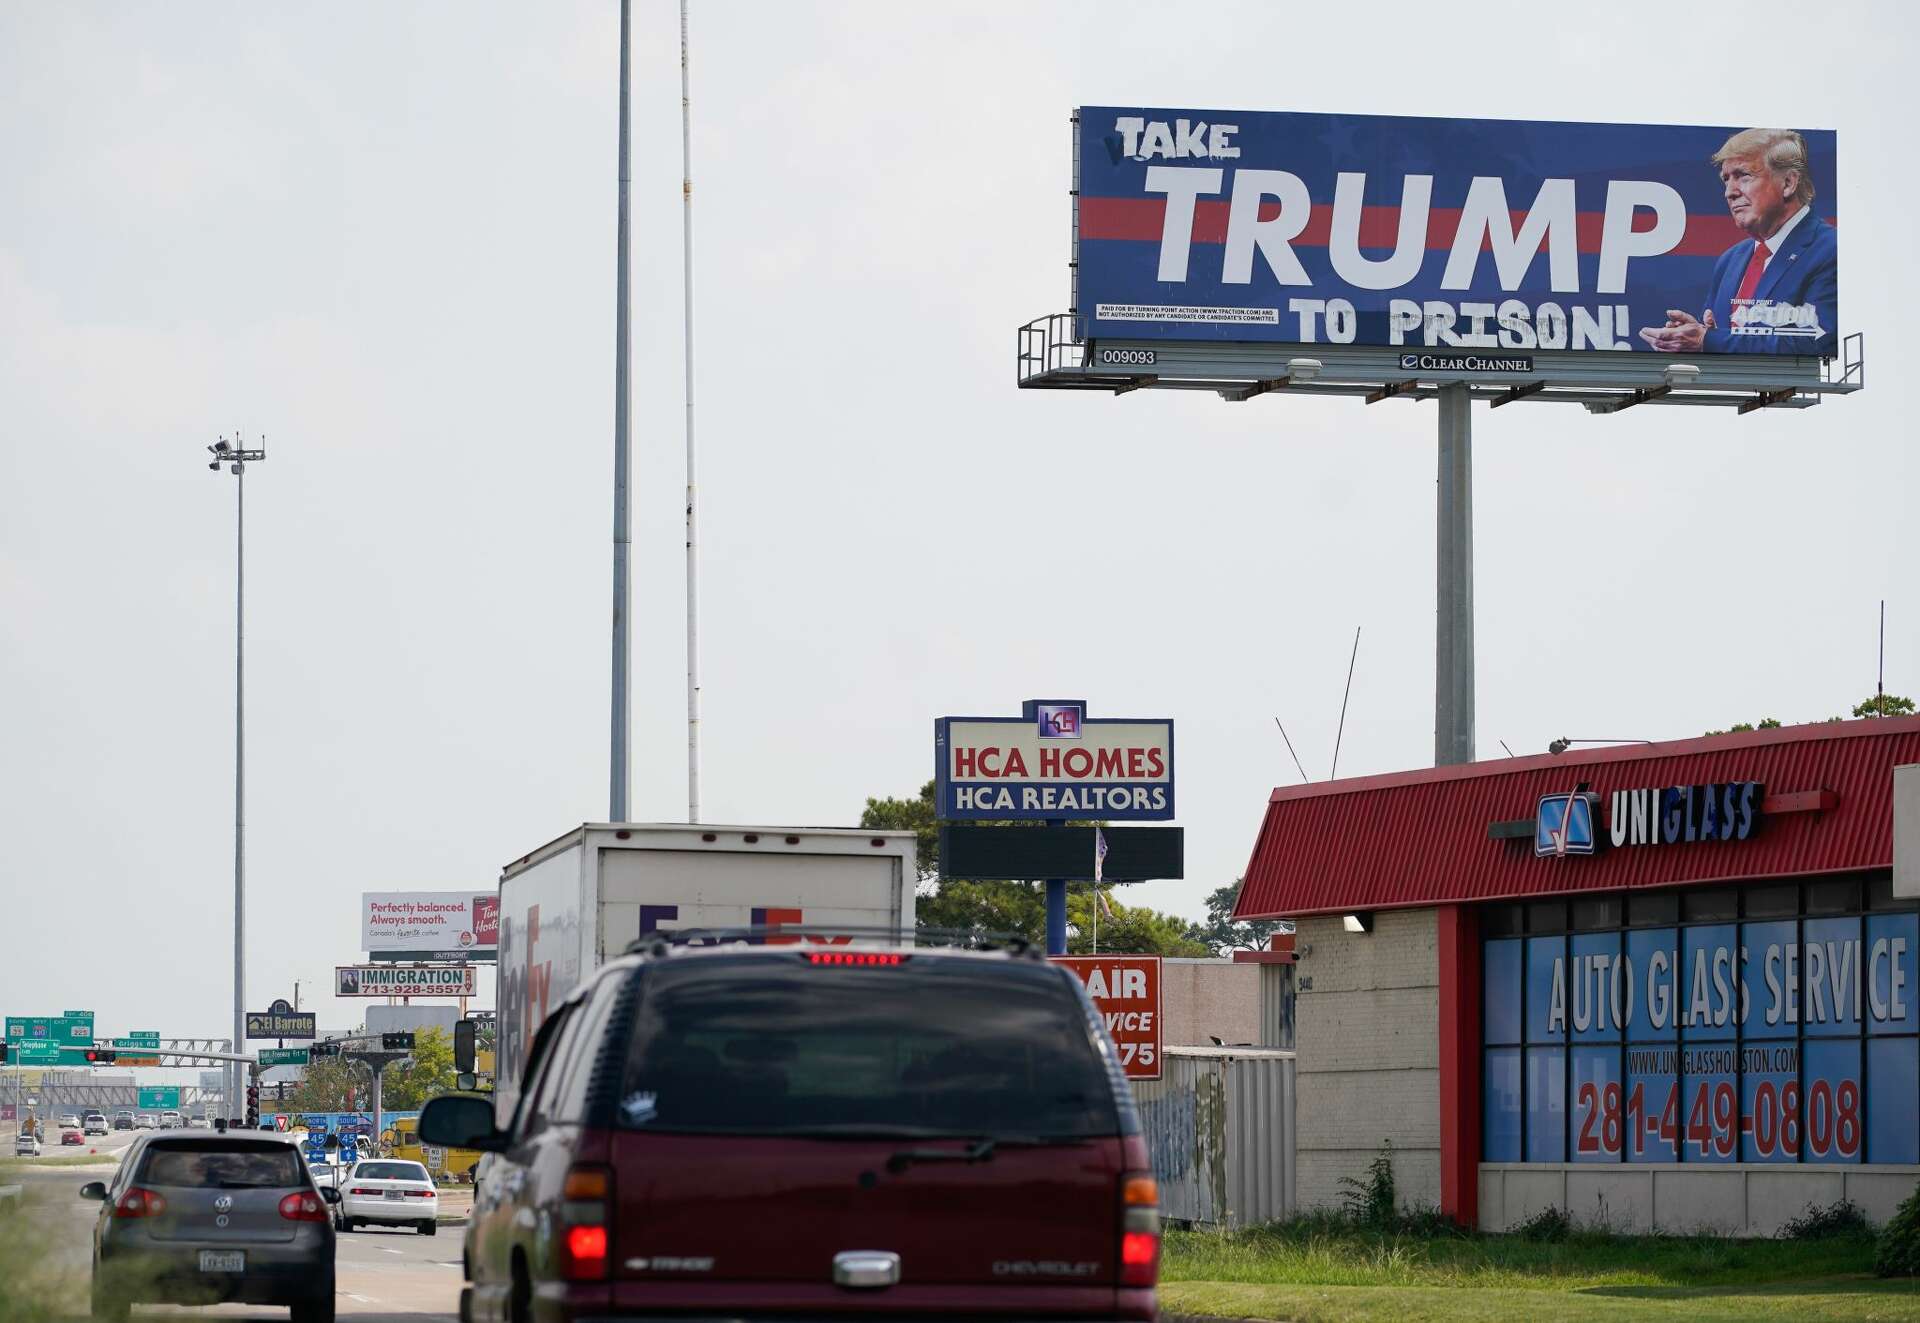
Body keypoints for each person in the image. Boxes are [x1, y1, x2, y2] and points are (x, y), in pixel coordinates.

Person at [1639, 128, 1837, 356]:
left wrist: (1709, 341)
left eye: (1744, 175)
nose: (1729, 193)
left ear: (1788, 183)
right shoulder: (1731, 260)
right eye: (1726, 179)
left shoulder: (1831, 249)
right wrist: (1694, 334)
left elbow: (1817, 340)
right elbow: (1717, 337)